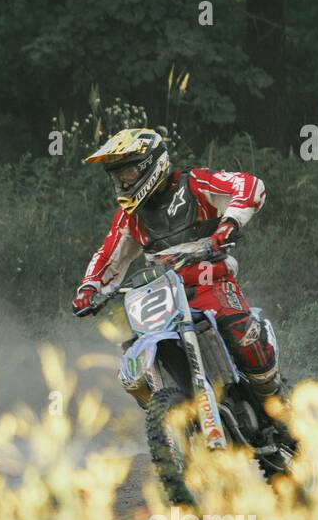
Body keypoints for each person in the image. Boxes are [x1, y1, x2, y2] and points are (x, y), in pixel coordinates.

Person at [70, 128, 289, 436]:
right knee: (133, 369)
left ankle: (278, 410)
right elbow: (109, 254)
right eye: (117, 177)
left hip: (211, 282)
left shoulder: (195, 184)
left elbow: (250, 186)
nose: (123, 182)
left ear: (150, 165)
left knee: (241, 332)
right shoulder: (131, 216)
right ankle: (175, 425)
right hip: (161, 296)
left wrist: (226, 228)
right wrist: (89, 288)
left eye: (129, 173)